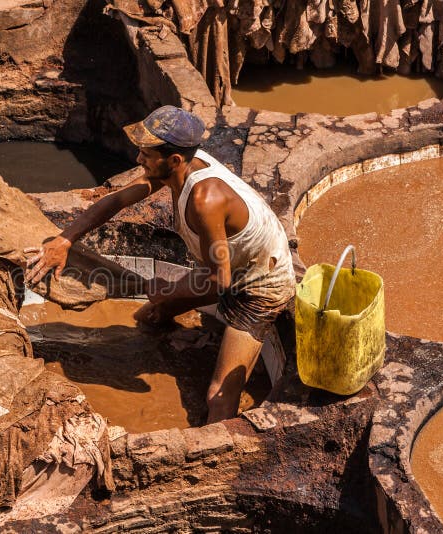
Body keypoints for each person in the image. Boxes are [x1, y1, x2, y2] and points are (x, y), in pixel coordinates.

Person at [23, 106, 295, 423]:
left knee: (218, 395)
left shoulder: (205, 200)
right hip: (231, 269)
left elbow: (220, 282)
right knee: (151, 315)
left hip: (259, 287)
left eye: (146, 155)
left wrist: (168, 289)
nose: (139, 160)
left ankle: (211, 445)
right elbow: (116, 201)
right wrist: (65, 240)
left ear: (174, 160)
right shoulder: (175, 169)